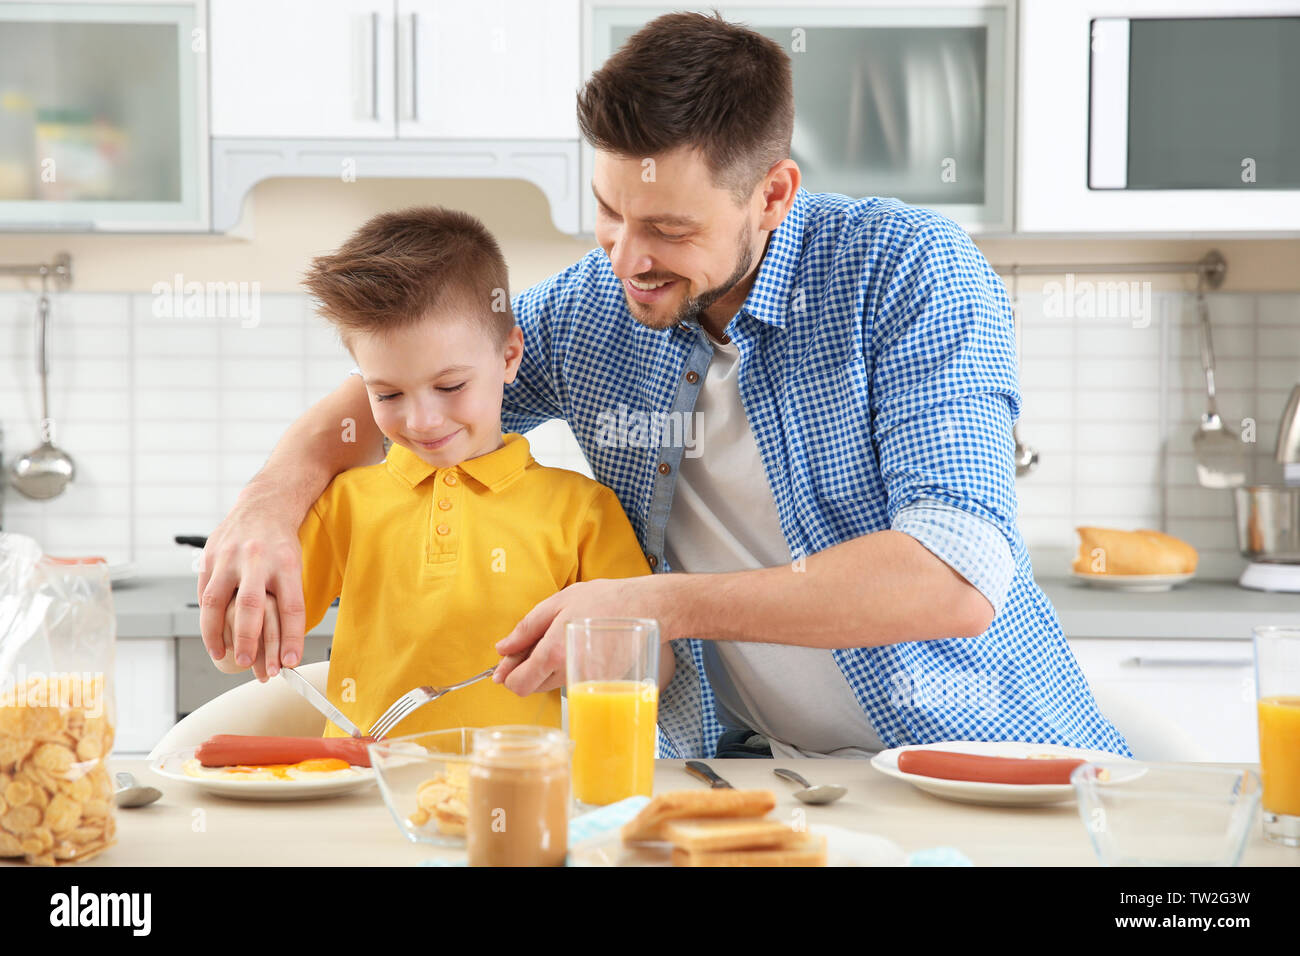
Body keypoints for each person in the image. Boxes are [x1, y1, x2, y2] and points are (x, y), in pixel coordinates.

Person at [200, 12, 1130, 760]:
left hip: (982, 762)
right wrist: (266, 507)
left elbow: (956, 573)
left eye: (669, 230)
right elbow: (413, 392)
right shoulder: (597, 302)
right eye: (608, 211)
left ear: (772, 194)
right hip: (757, 771)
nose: (628, 259)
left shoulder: (909, 272)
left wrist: (657, 603)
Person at [211, 206, 659, 737]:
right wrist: (242, 618)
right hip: (360, 794)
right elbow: (234, 657)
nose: (421, 420)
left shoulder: (581, 509)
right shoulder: (345, 502)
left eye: (450, 387)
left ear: (510, 355)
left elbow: (655, 668)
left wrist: (601, 649)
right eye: (388, 394)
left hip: (510, 794)